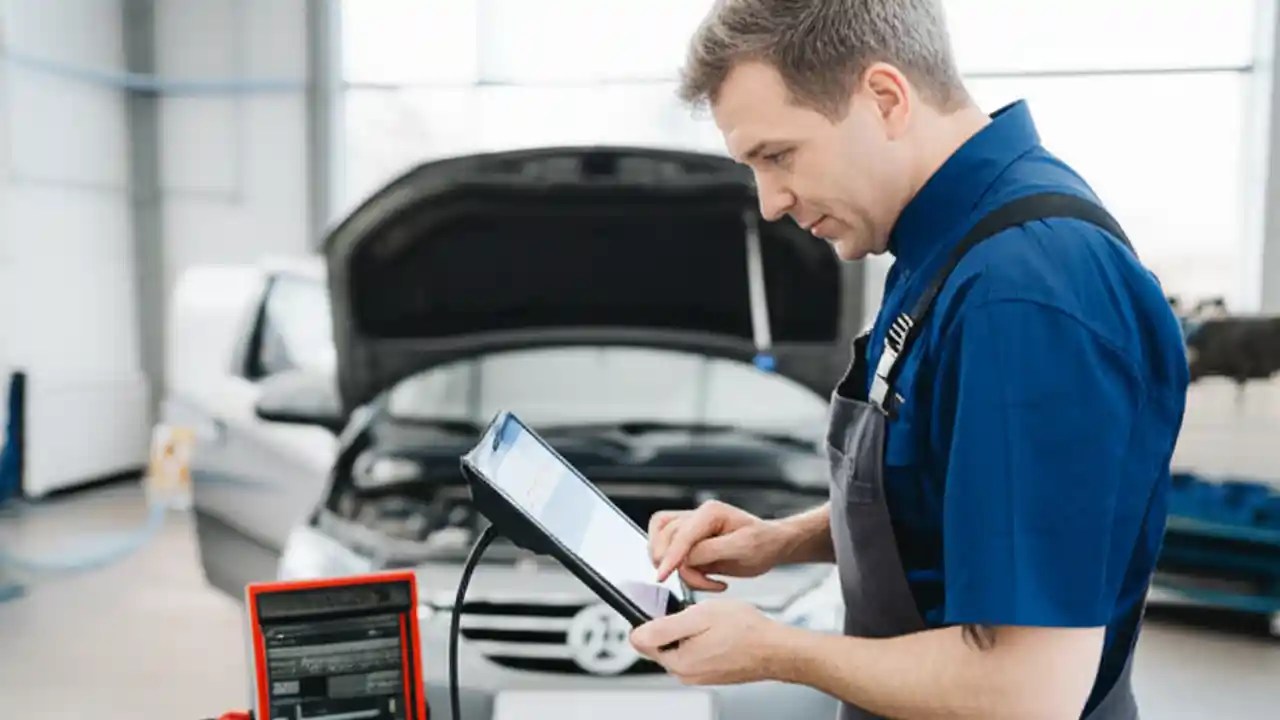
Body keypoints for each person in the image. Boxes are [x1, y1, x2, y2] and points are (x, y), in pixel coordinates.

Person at [628, 2, 1189, 718]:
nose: (769, 204)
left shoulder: (1022, 292)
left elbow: (1025, 693)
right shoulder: (945, 245)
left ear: (885, 98)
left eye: (777, 155)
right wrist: (780, 540)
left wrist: (776, 649)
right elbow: (949, 496)